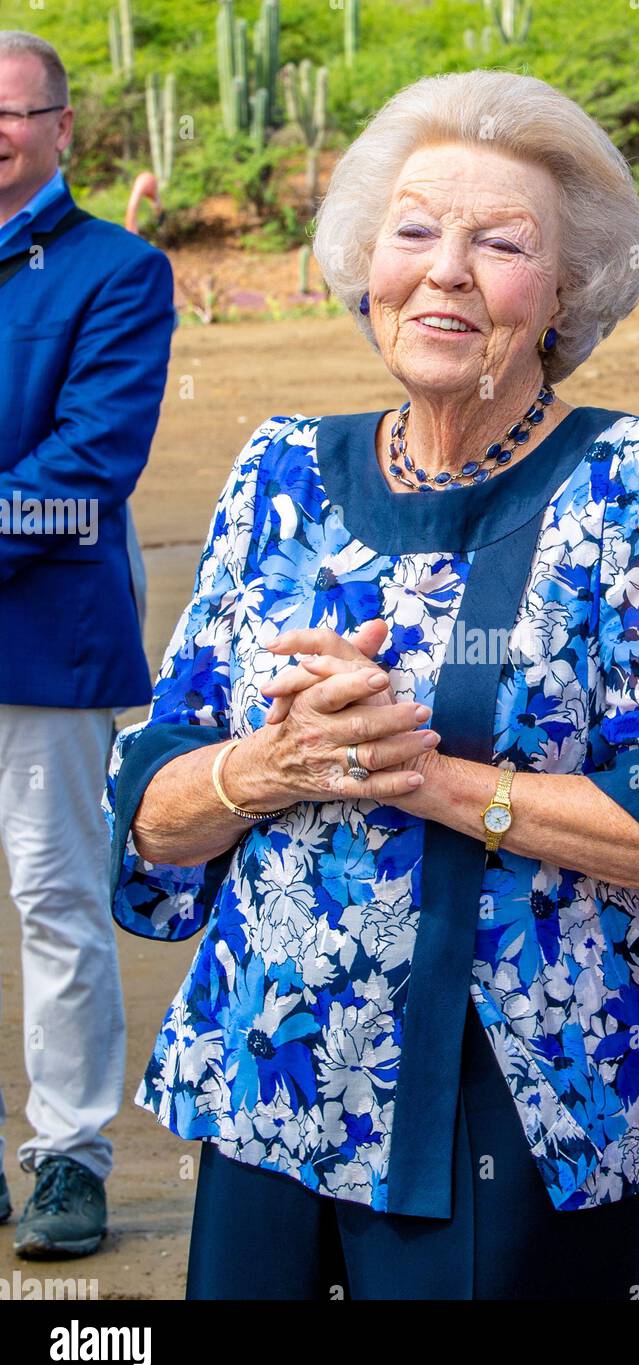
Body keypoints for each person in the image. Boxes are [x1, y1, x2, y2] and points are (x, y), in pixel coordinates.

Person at [103, 68, 639, 1301]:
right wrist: (262, 768)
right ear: (366, 260)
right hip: (271, 1077)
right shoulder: (278, 471)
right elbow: (150, 802)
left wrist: (423, 776)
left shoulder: (635, 481)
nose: (446, 270)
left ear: (564, 294)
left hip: (519, 1102)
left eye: (500, 243)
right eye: (415, 229)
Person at [0, 31, 174, 1256]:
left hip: (42, 644)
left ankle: (67, 1154)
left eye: (12, 112)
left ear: (64, 126)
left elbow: (89, 469)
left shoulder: (117, 272)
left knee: (55, 897)